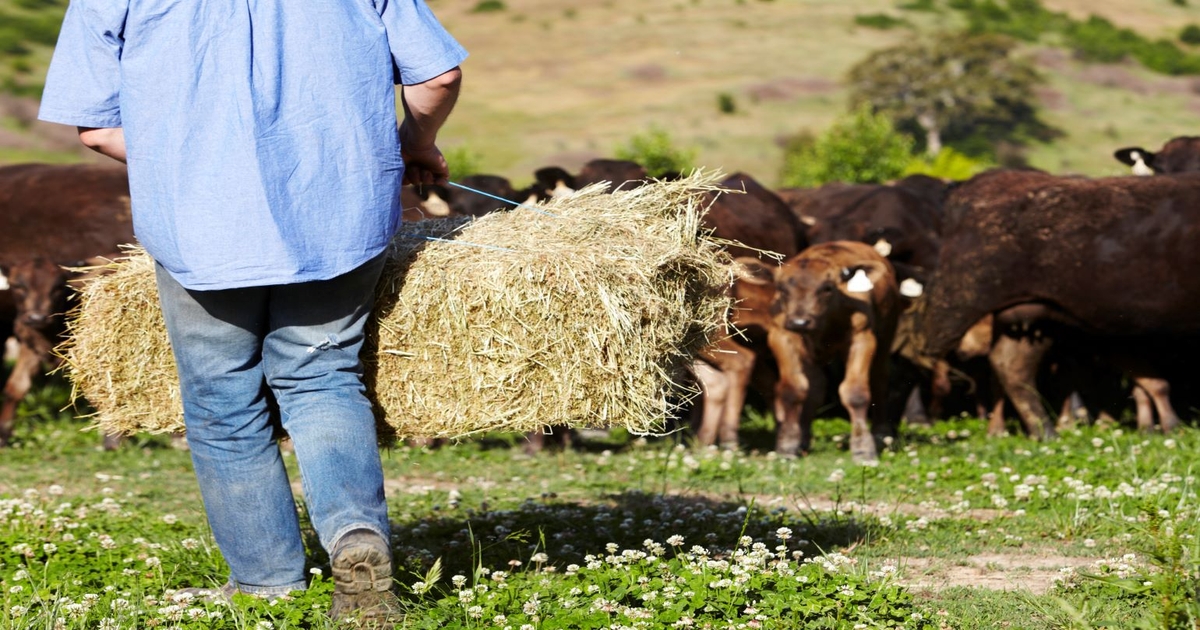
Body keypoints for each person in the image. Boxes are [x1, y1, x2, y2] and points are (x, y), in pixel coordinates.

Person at [38, 0, 466, 625]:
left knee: (222, 404)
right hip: (338, 211)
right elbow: (438, 76)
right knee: (322, 378)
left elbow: (96, 126)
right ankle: (354, 537)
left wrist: (187, 166)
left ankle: (268, 587)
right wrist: (414, 141)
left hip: (200, 227)